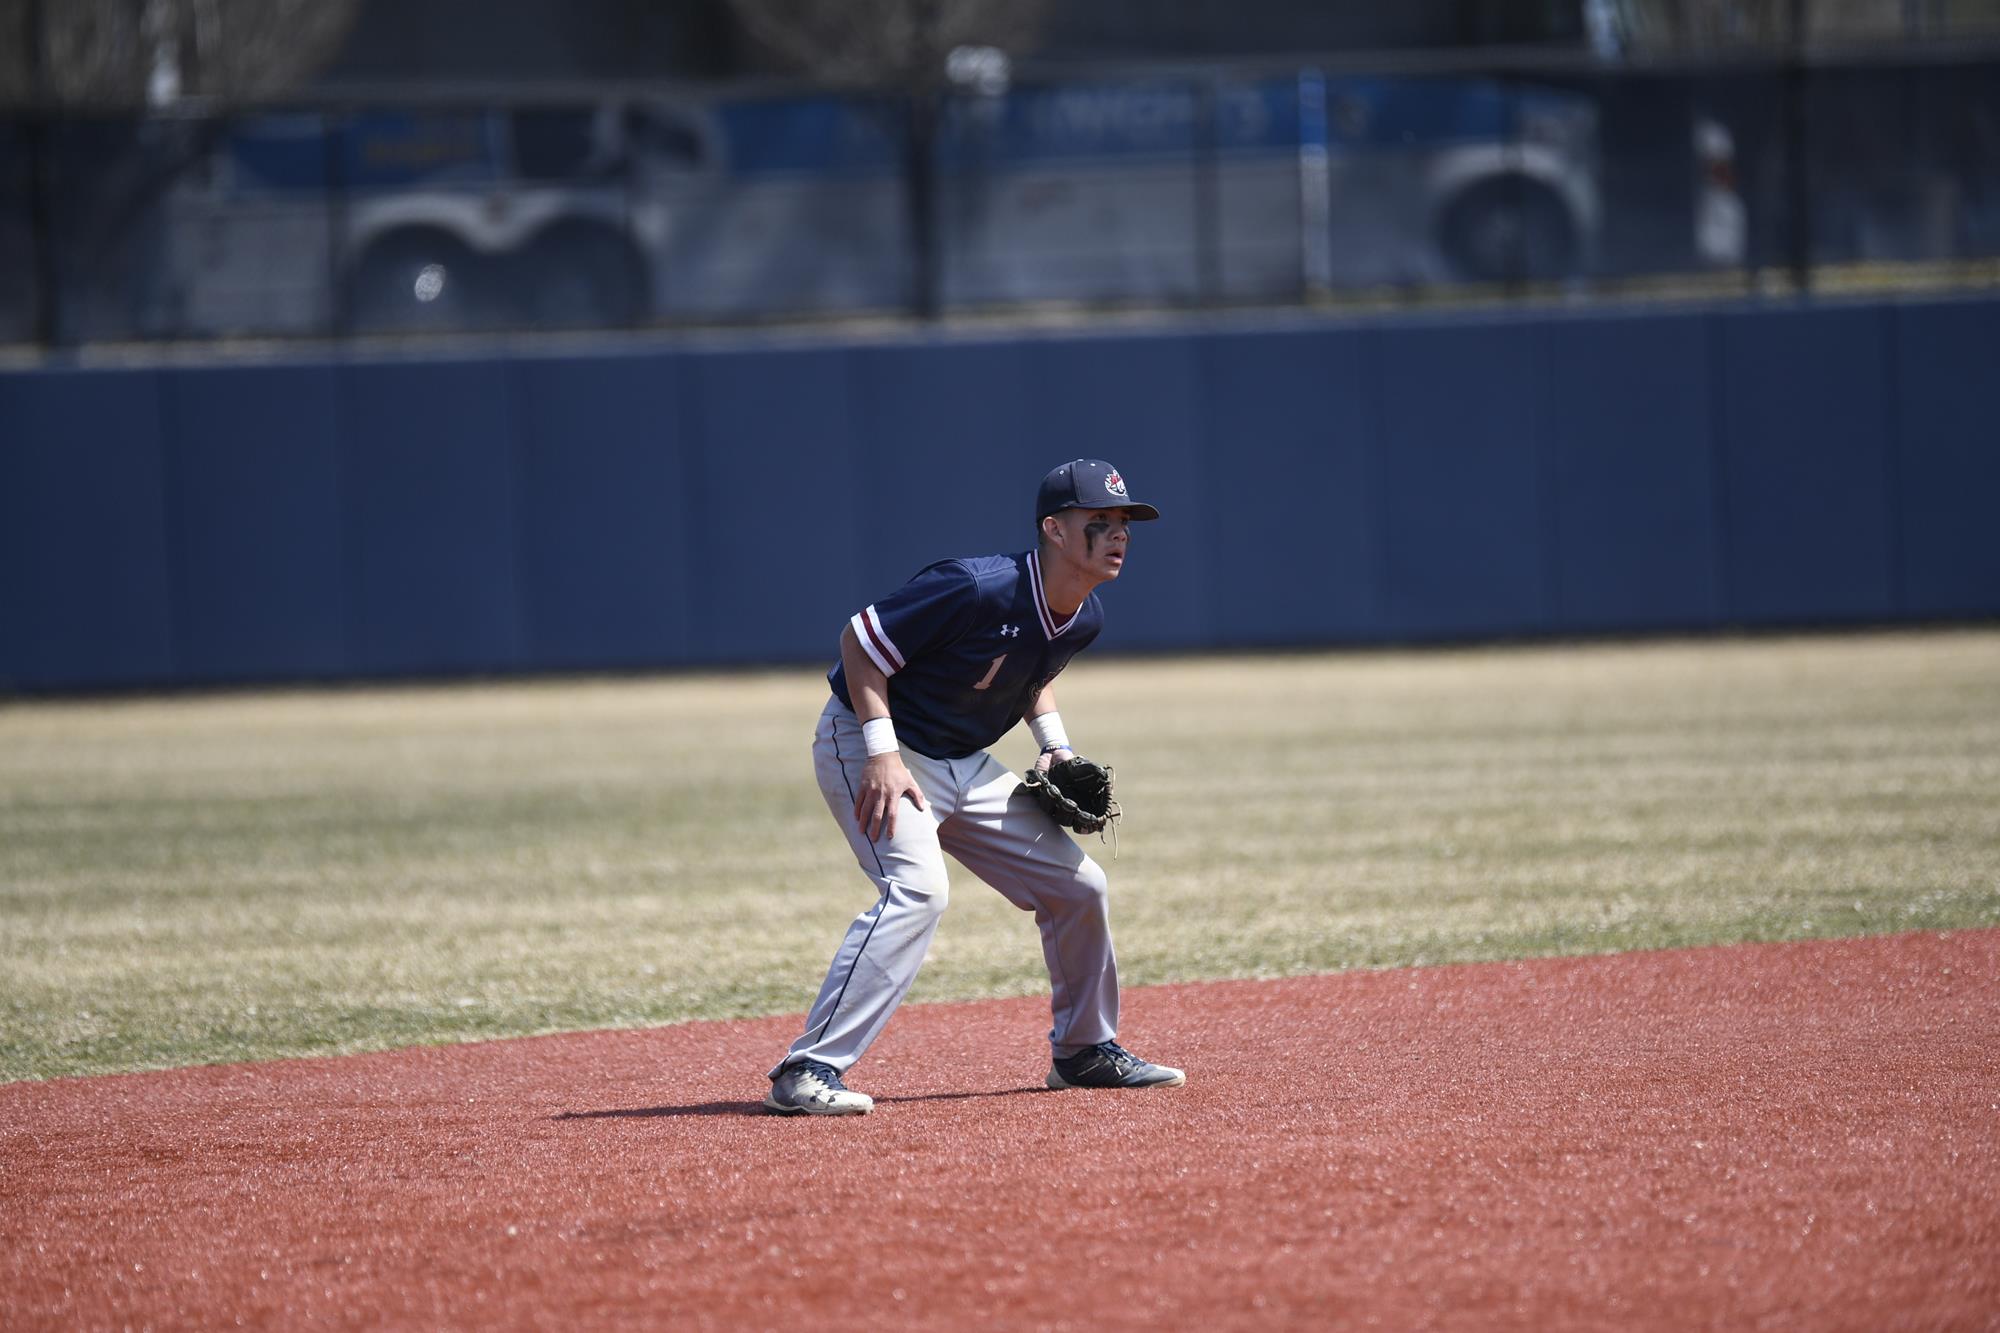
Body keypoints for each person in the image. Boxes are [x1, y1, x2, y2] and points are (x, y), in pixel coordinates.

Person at [764, 459, 1187, 1115]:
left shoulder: (1083, 616)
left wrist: (1056, 746)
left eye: (1125, 522)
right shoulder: (975, 587)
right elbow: (860, 641)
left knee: (1079, 886)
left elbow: (1031, 671)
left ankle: (1083, 1051)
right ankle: (806, 1069)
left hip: (963, 760)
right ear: (1053, 528)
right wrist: (882, 752)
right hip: (873, 743)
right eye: (1099, 520)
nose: (1118, 534)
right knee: (918, 890)